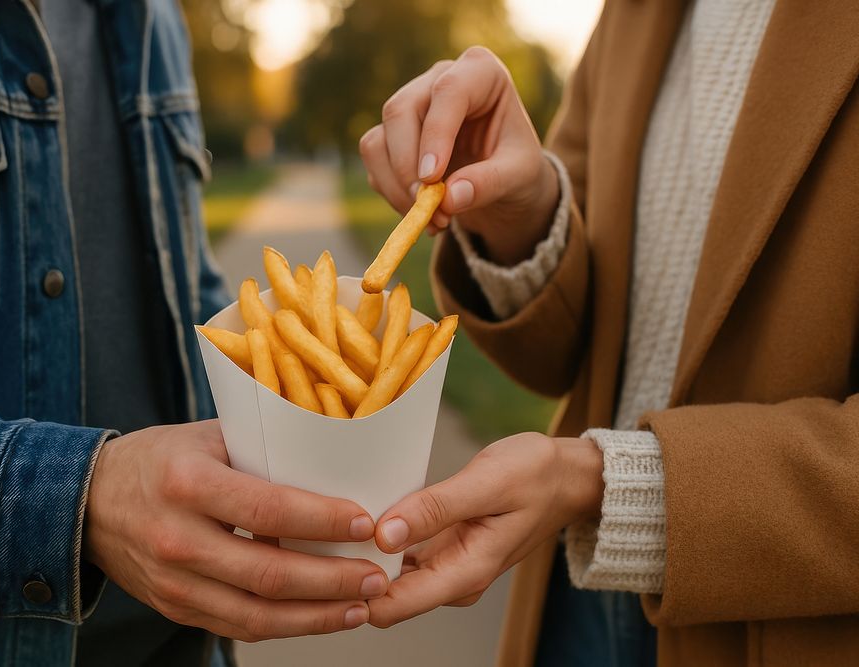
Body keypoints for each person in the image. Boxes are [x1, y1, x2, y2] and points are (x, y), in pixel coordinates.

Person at [0, 1, 387, 665]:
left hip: (183, 644)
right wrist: (80, 498)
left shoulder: (154, 17)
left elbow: (189, 299)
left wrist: (343, 444)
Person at [359, 0, 859, 665]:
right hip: (573, 590)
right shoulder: (635, 13)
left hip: (780, 629)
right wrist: (519, 211)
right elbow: (564, 349)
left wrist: (610, 482)